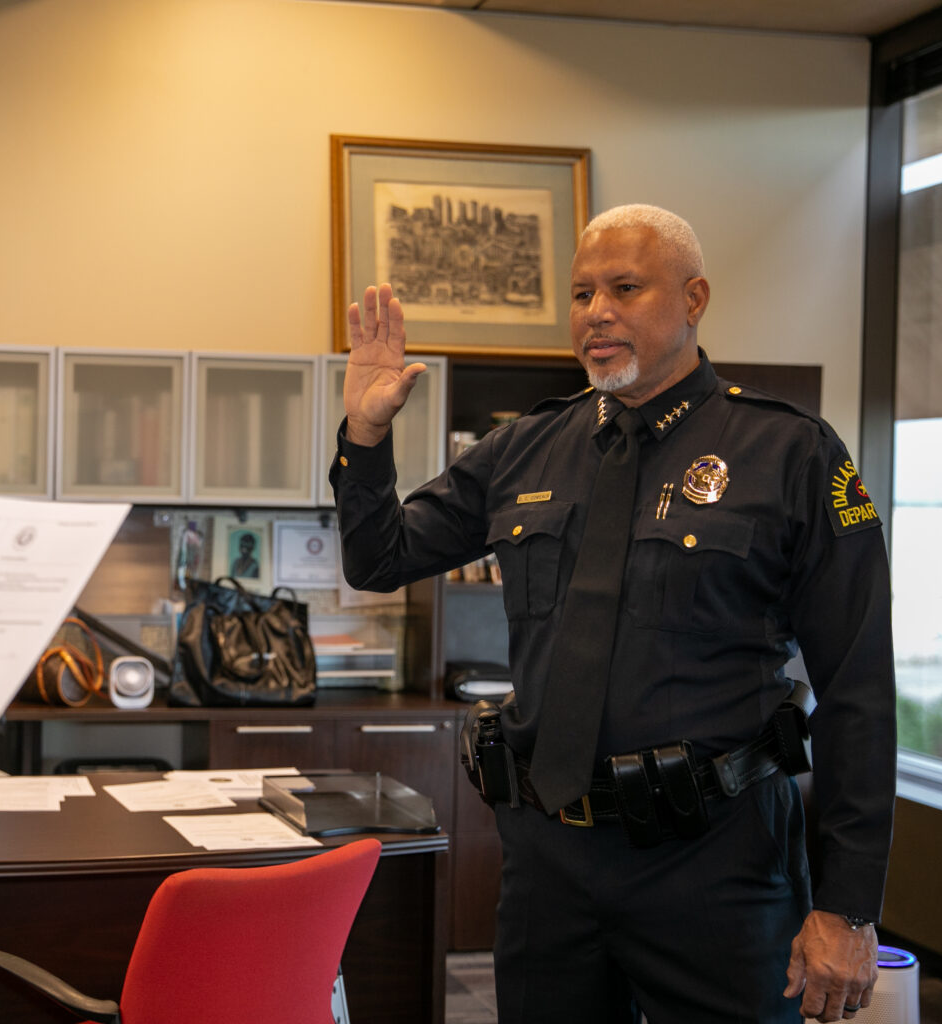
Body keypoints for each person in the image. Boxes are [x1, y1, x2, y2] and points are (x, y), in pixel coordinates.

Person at [332, 204, 894, 1024]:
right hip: (549, 863)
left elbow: (859, 689)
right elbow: (377, 558)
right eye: (582, 293)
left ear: (693, 298)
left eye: (625, 288)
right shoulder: (525, 446)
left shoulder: (789, 451)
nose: (597, 313)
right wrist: (365, 433)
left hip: (718, 863)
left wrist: (847, 904)